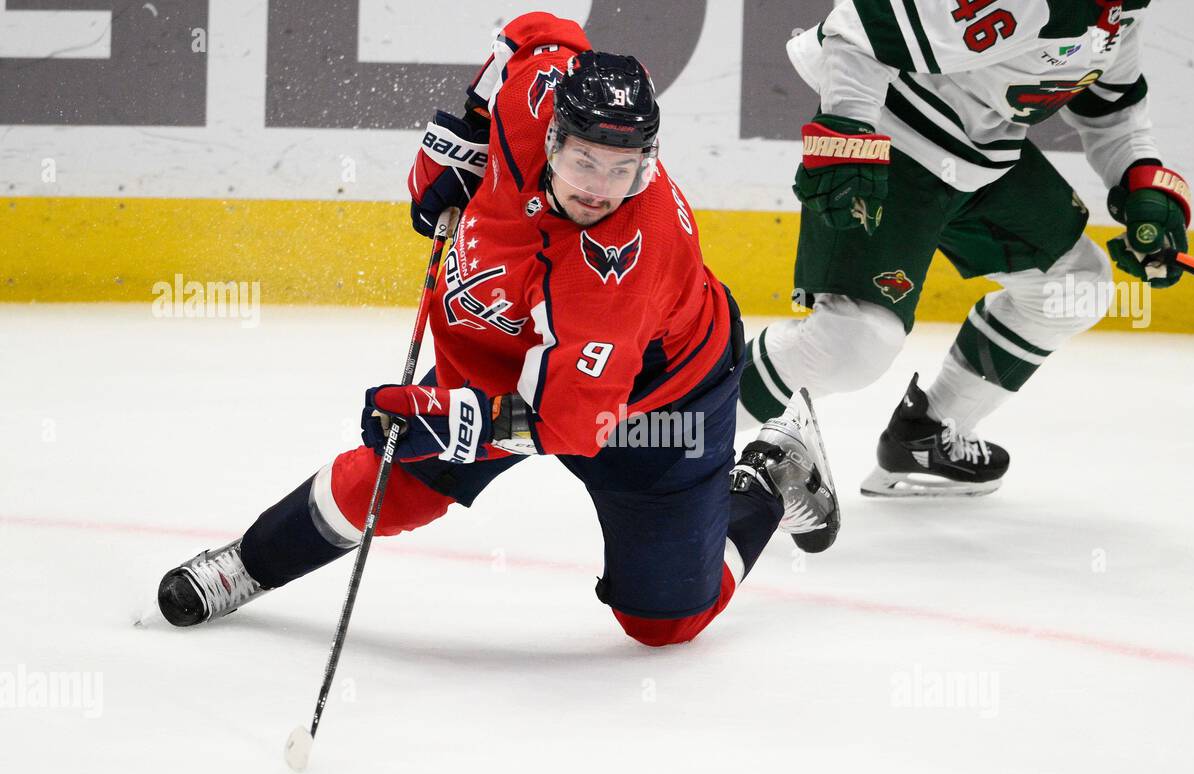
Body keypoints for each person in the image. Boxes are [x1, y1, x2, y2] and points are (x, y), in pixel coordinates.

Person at [154, 12, 839, 648]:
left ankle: (772, 478)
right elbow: (533, 34)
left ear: (646, 163)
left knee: (663, 622)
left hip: (651, 406)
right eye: (584, 162)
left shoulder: (618, 270)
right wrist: (469, 132)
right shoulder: (533, 98)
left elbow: (571, 423)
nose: (599, 189)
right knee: (394, 479)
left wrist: (451, 422)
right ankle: (244, 565)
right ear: (551, 135)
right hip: (508, 363)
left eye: (622, 171)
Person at [739, 0, 1191, 496]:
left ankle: (924, 437)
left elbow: (1111, 106)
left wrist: (1141, 179)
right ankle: (681, 432)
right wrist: (848, 129)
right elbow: (858, 30)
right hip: (895, 137)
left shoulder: (1124, 8)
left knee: (1074, 285)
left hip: (984, 155)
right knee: (852, 344)